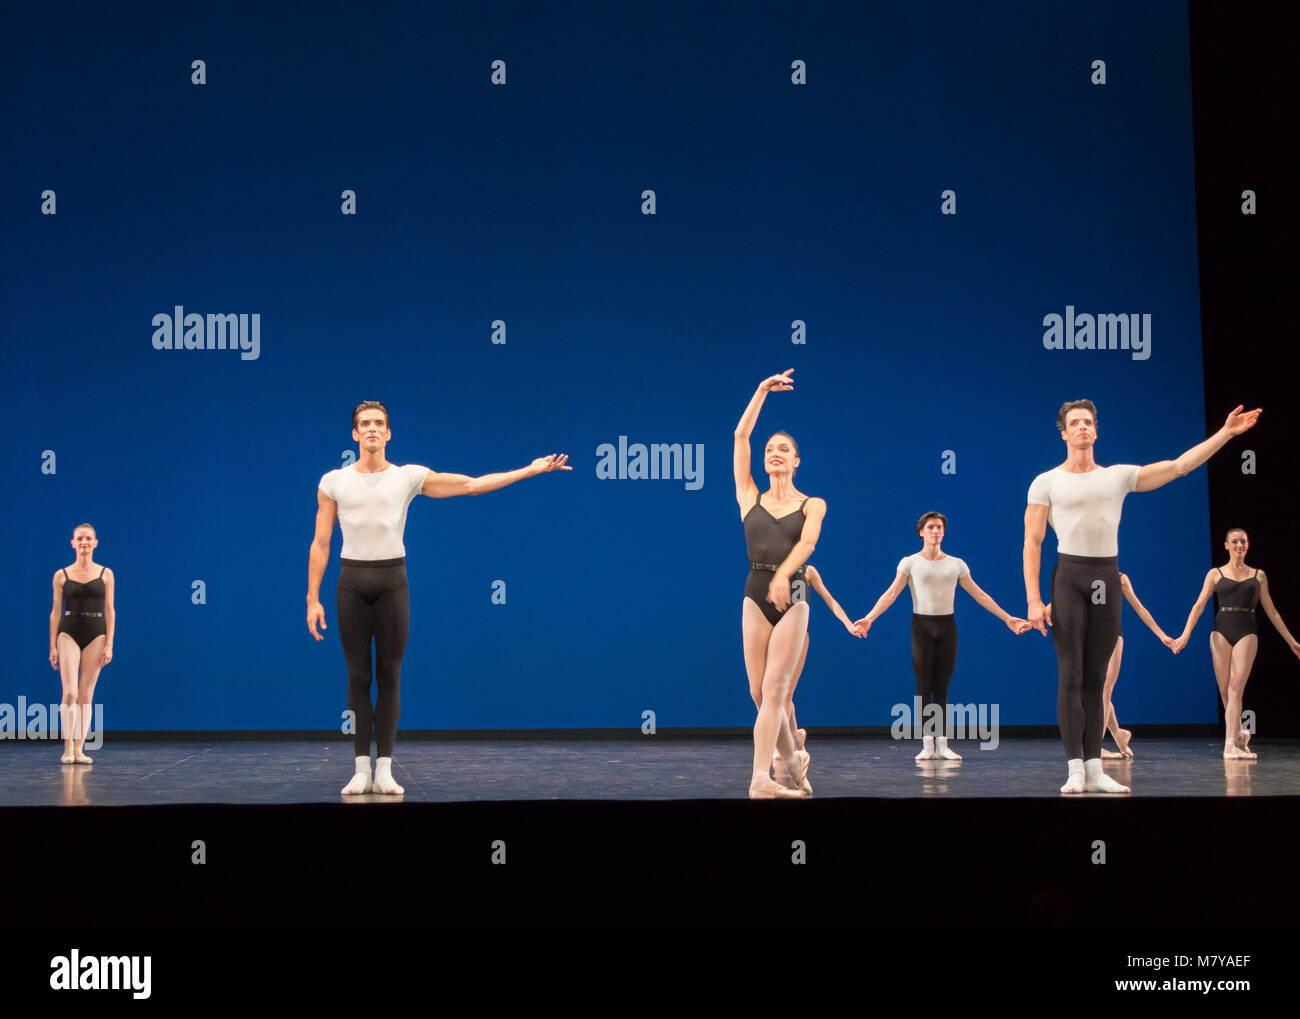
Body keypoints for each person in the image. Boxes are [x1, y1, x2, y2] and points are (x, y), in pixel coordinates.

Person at [307, 401, 570, 795]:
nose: (373, 429)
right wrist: (313, 598)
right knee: (358, 676)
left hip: (393, 581)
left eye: (379, 423)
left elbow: (470, 485)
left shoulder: (409, 476)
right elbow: (321, 543)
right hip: (351, 583)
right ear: (355, 434)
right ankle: (361, 768)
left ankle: (384, 769)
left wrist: (530, 470)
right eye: (365, 424)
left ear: (389, 433)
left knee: (390, 675)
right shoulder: (333, 482)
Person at [1024, 400, 1260, 794]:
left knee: (1097, 680)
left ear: (1095, 431)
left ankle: (1096, 768)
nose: (1082, 427)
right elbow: (1033, 542)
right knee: (1070, 674)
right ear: (1063, 433)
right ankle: (1075, 768)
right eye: (1074, 423)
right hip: (1068, 577)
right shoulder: (1046, 481)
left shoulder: (1118, 476)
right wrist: (1034, 599)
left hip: (1106, 575)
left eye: (1088, 422)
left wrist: (1226, 433)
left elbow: (1180, 466)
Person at [854, 512, 1030, 761]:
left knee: (942, 688)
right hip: (922, 628)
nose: (935, 531)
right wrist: (869, 618)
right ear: (921, 532)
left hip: (947, 628)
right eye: (930, 527)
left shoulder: (956, 564)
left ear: (943, 532)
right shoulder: (909, 562)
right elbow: (891, 593)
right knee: (924, 686)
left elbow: (980, 595)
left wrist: (1007, 618)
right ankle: (927, 743)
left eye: (939, 527)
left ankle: (943, 743)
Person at [734, 370, 823, 798]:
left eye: (783, 449)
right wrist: (761, 390)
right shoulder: (749, 496)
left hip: (796, 593)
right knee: (758, 692)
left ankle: (759, 780)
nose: (774, 453)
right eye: (770, 449)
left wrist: (785, 576)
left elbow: (807, 544)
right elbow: (739, 436)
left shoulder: (812, 503)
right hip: (756, 590)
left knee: (776, 689)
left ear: (796, 461)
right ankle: (793, 765)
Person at [1170, 528, 1300, 758]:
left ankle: (1229, 745)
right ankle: (1240, 735)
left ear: (1247, 545)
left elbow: (1272, 612)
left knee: (1235, 687)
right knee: (1225, 690)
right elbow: (1198, 606)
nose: (1239, 544)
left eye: (1243, 541)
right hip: (1221, 630)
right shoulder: (1215, 574)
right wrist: (1185, 634)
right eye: (1235, 541)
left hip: (1247, 630)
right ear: (1226, 545)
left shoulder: (1258, 575)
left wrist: (1292, 641)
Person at [1045, 573, 1177, 759]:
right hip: (1088, 637)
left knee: (1104, 690)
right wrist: (1035, 617)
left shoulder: (1119, 578)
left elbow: (1139, 608)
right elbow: (1057, 603)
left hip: (1112, 635)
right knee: (1094, 691)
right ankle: (1118, 733)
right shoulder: (1081, 573)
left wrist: (1161, 634)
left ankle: (1095, 748)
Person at [769, 563, 864, 787]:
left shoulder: (808, 572)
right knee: (779, 692)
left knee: (786, 692)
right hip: (776, 632)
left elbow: (830, 600)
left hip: (800, 634)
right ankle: (794, 738)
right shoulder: (771, 569)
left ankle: (786, 741)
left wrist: (848, 623)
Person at [48, 523, 114, 764]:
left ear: (95, 543)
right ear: (72, 543)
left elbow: (110, 610)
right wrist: (52, 646)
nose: (84, 543)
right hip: (68, 632)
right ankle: (67, 748)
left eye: (88, 539)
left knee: (86, 695)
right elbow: (55, 612)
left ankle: (79, 749)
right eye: (80, 539)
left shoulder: (106, 573)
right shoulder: (61, 575)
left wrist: (109, 644)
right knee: (70, 692)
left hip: (96, 633)